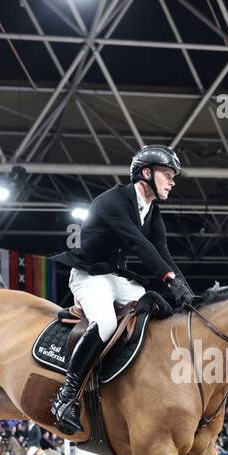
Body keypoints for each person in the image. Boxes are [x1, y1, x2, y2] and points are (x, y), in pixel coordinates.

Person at [48, 144, 195, 434]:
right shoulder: (111, 201)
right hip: (89, 276)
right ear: (146, 173)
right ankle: (67, 395)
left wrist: (186, 292)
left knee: (161, 314)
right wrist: (168, 278)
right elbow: (138, 245)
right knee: (105, 324)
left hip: (117, 278)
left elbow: (163, 251)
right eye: (167, 174)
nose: (172, 181)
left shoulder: (152, 211)